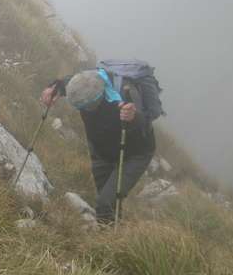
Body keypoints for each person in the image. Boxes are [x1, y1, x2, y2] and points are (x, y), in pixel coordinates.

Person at [41, 69, 155, 223]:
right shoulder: (83, 83)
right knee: (107, 199)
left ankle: (110, 232)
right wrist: (55, 88)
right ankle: (111, 228)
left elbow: (145, 122)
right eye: (80, 106)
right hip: (101, 153)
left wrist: (133, 117)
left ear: (97, 98)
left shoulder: (125, 96)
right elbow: (68, 82)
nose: (83, 109)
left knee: (105, 203)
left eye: (86, 106)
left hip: (134, 155)